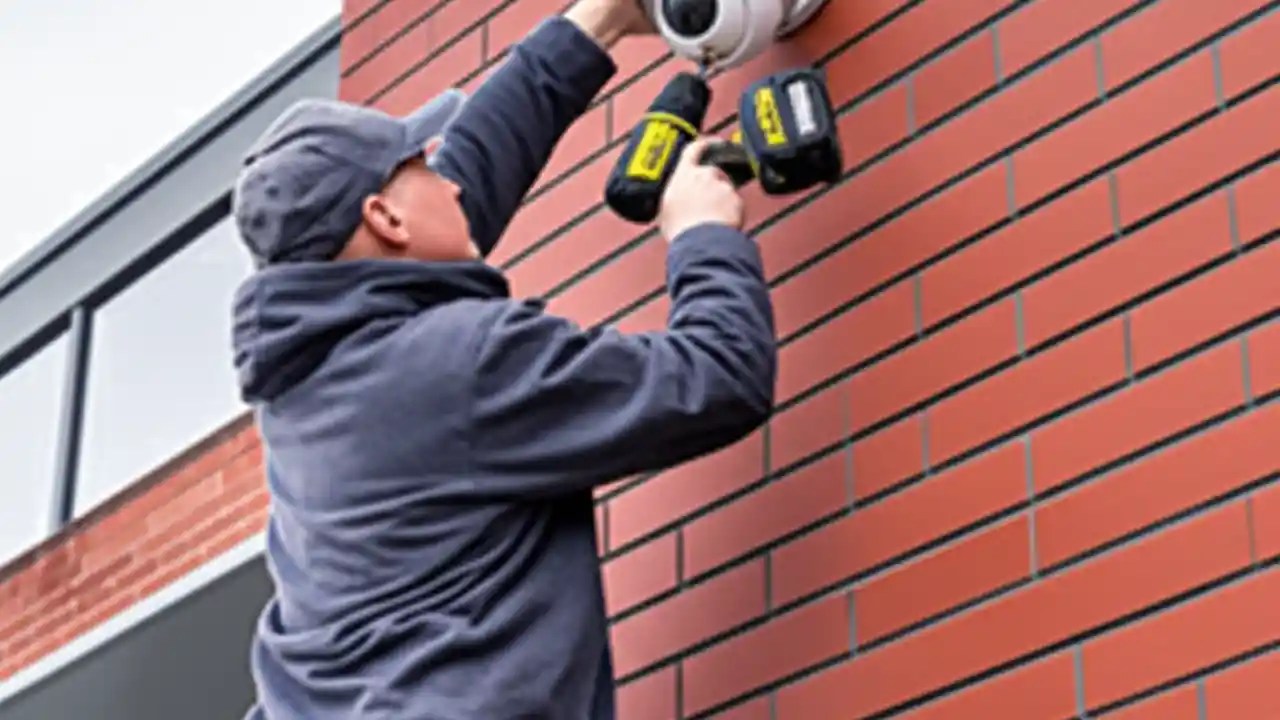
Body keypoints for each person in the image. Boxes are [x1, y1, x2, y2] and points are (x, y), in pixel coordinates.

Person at [228, 0, 777, 717]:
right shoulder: (457, 365)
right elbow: (716, 377)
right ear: (386, 219)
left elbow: (466, 181)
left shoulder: (310, 384)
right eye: (421, 166)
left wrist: (598, 23)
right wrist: (701, 234)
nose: (450, 181)